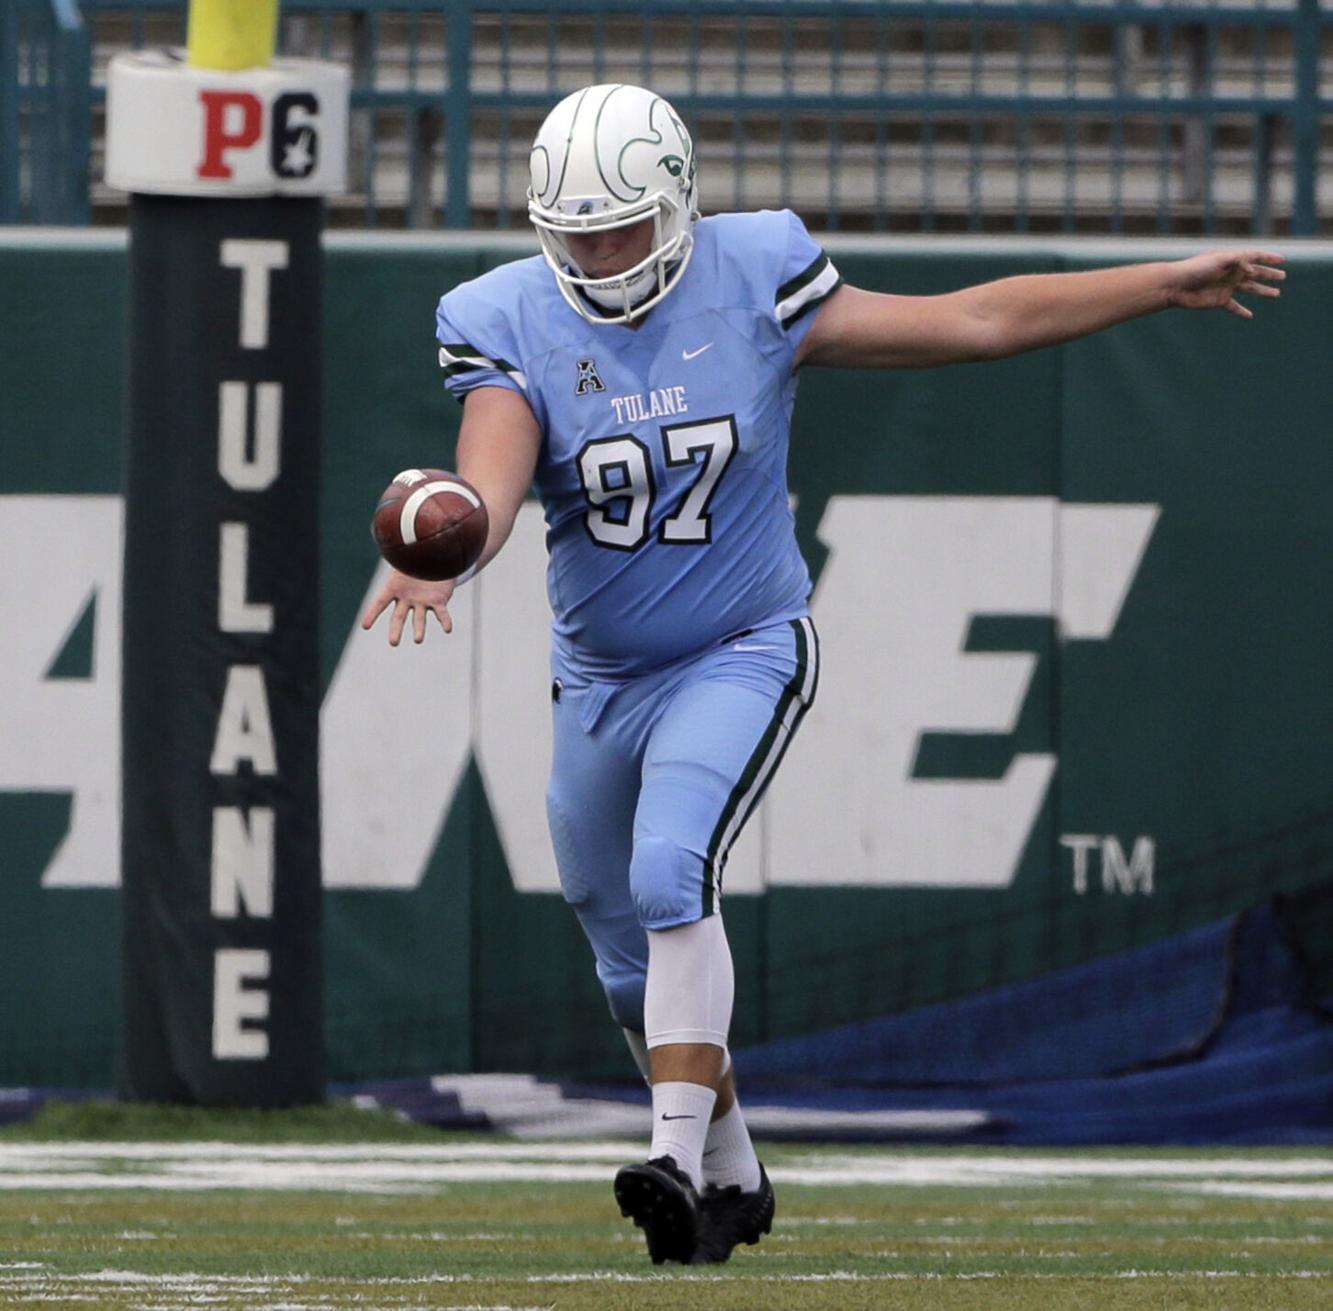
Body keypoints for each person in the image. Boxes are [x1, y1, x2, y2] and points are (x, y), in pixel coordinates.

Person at [362, 83, 1283, 1264]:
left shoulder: (757, 275)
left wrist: (1156, 282)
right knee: (622, 961)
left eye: (618, 226)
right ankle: (734, 1181)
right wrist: (448, 547)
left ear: (677, 205)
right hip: (596, 676)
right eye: (574, 230)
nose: (596, 252)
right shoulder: (505, 316)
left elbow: (975, 321)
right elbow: (491, 477)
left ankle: (672, 1156)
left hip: (739, 644)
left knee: (668, 863)